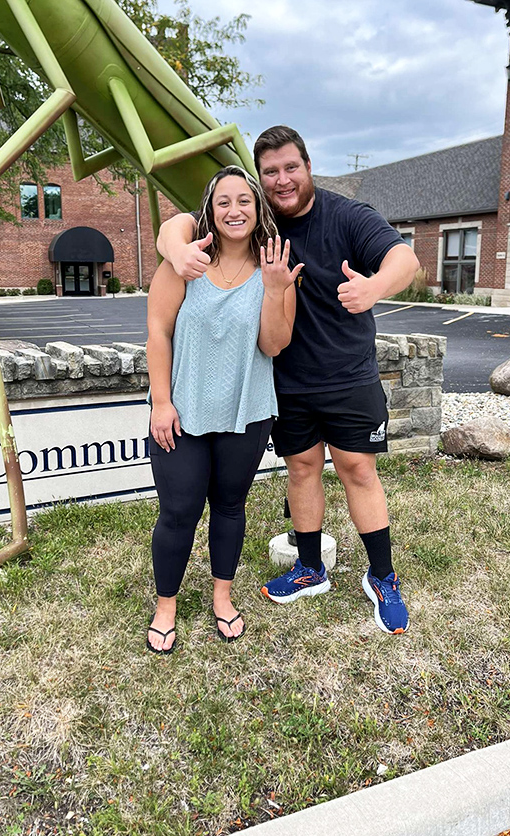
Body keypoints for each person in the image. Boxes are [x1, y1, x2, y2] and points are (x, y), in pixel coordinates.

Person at [157, 126, 421, 636]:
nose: (282, 180)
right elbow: (181, 223)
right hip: (287, 380)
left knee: (357, 470)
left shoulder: (348, 216)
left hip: (347, 374)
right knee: (301, 469)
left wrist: (374, 288)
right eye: (271, 172)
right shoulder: (256, 216)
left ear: (308, 166)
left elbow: (404, 258)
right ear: (261, 179)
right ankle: (310, 568)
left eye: (291, 168)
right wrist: (175, 250)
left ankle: (383, 577)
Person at [146, 164, 301, 653]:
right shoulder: (185, 261)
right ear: (210, 212)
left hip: (246, 413)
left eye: (244, 201)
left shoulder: (273, 271)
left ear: (258, 210)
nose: (235, 210)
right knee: (179, 511)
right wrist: (161, 402)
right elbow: (157, 333)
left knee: (230, 507)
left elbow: (273, 345)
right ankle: (166, 606)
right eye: (224, 202)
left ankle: (222, 596)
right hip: (182, 412)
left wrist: (275, 290)